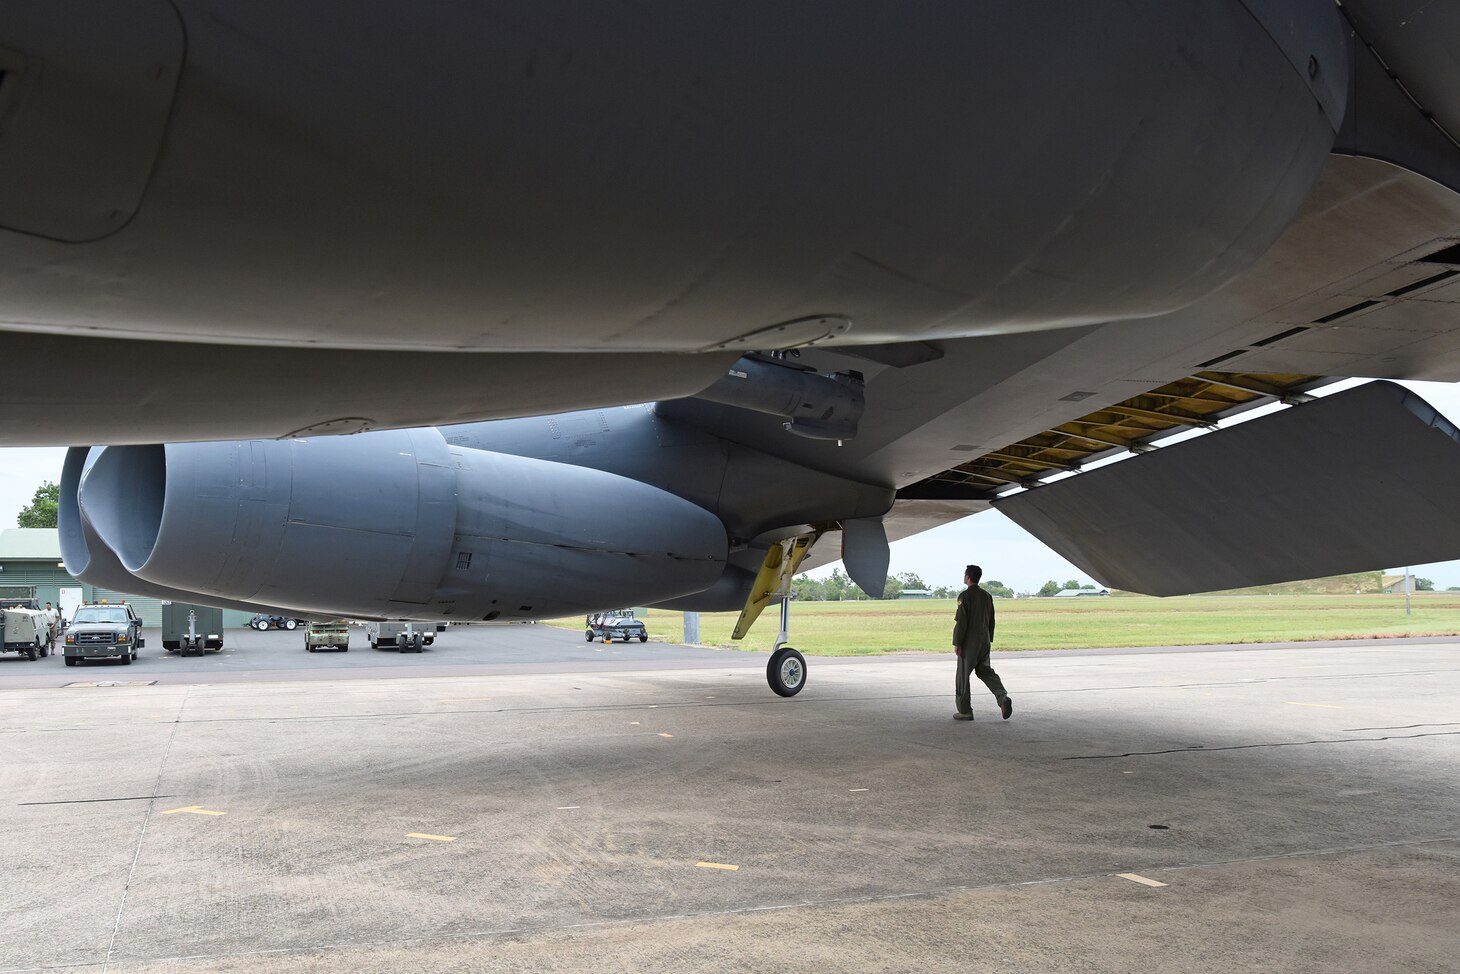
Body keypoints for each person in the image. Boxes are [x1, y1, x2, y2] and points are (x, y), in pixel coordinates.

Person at [951, 565, 1013, 721]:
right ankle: (1002, 697)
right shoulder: (987, 596)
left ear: (968, 577)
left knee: (963, 677)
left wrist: (957, 642)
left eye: (965, 575)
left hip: (969, 643)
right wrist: (988, 638)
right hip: (984, 641)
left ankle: (965, 711)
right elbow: (991, 619)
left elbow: (962, 622)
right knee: (985, 671)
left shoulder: (964, 596)